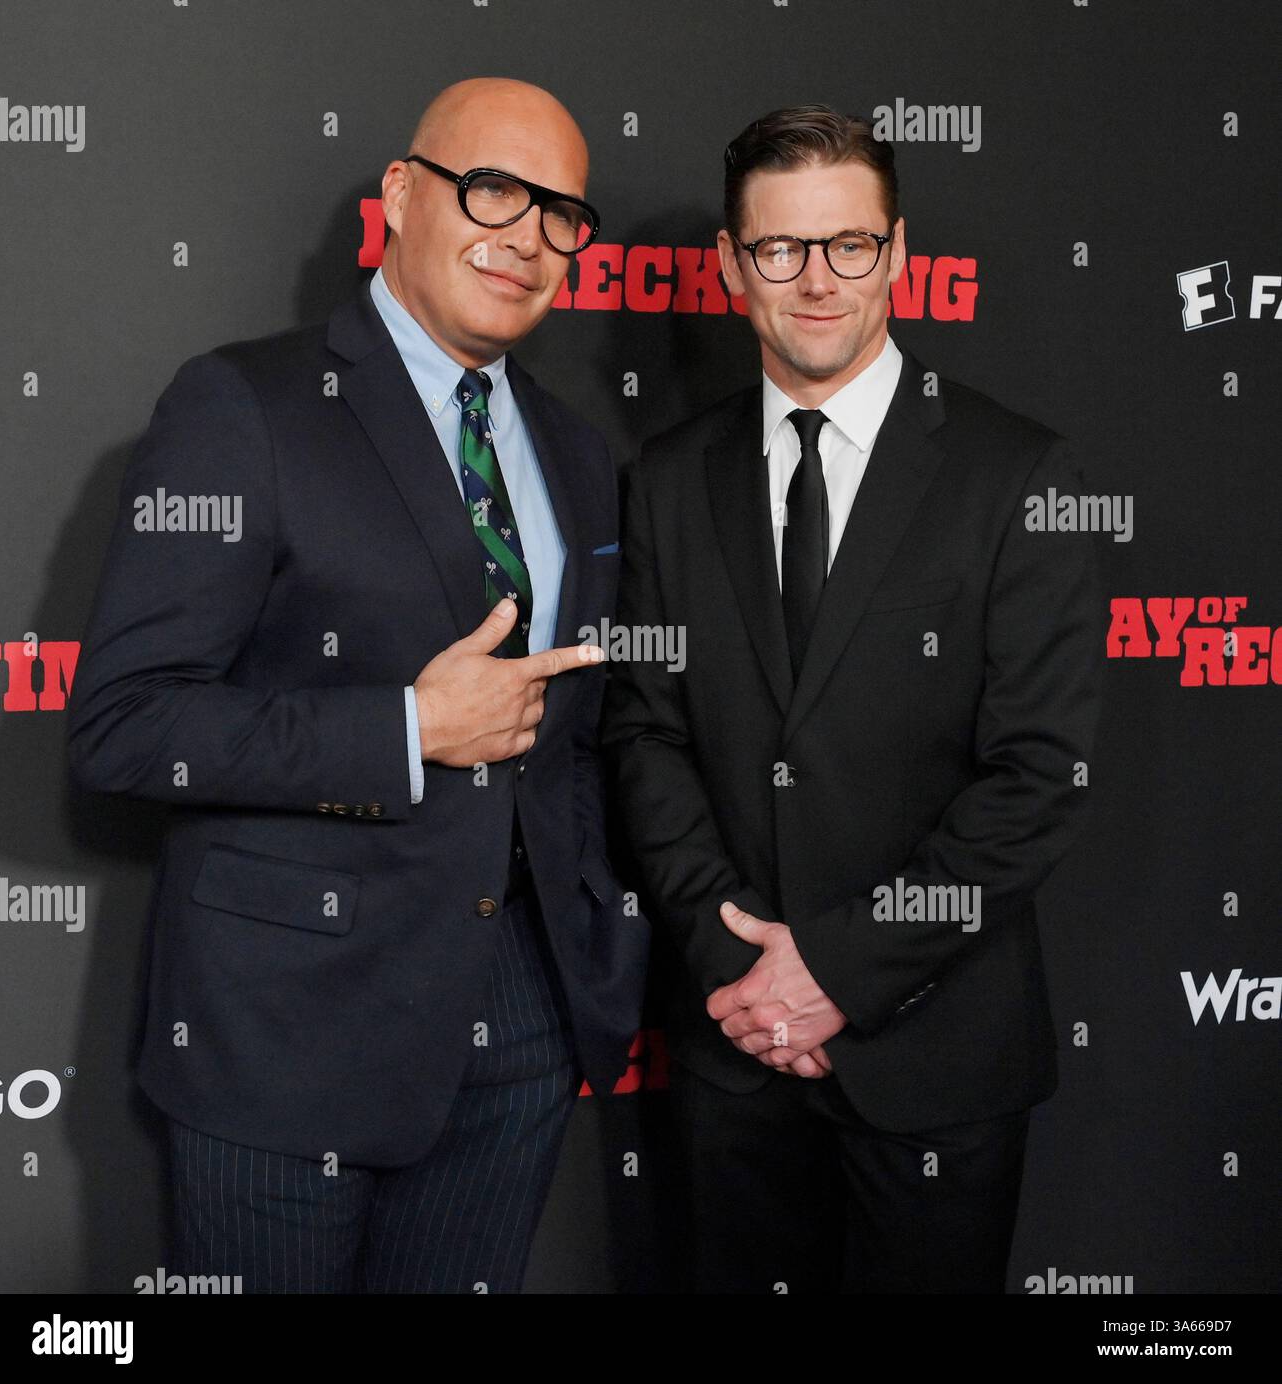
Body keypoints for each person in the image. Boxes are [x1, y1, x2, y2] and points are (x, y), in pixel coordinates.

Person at [66, 77, 648, 1294]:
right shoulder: (244, 405)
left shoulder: (580, 453)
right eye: (494, 190)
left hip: (523, 1029)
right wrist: (404, 729)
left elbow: (581, 737)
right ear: (398, 195)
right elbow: (126, 727)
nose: (528, 236)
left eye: (563, 215)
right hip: (289, 1043)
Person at [602, 103, 1103, 1293]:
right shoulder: (669, 480)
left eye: (847, 245)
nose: (815, 281)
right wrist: (740, 969)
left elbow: (1036, 777)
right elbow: (643, 731)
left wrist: (833, 968)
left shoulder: (1015, 474)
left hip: (936, 1059)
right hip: (732, 1056)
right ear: (732, 267)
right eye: (779, 249)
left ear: (897, 252)